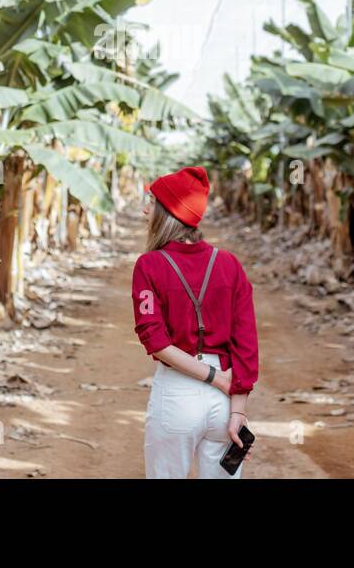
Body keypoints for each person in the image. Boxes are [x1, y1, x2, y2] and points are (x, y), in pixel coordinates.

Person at [131, 166, 259, 478]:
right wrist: (238, 407)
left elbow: (157, 342)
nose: (145, 209)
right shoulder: (229, 264)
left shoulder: (149, 265)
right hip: (225, 399)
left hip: (178, 392)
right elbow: (246, 344)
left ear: (168, 213)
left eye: (152, 203)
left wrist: (216, 378)